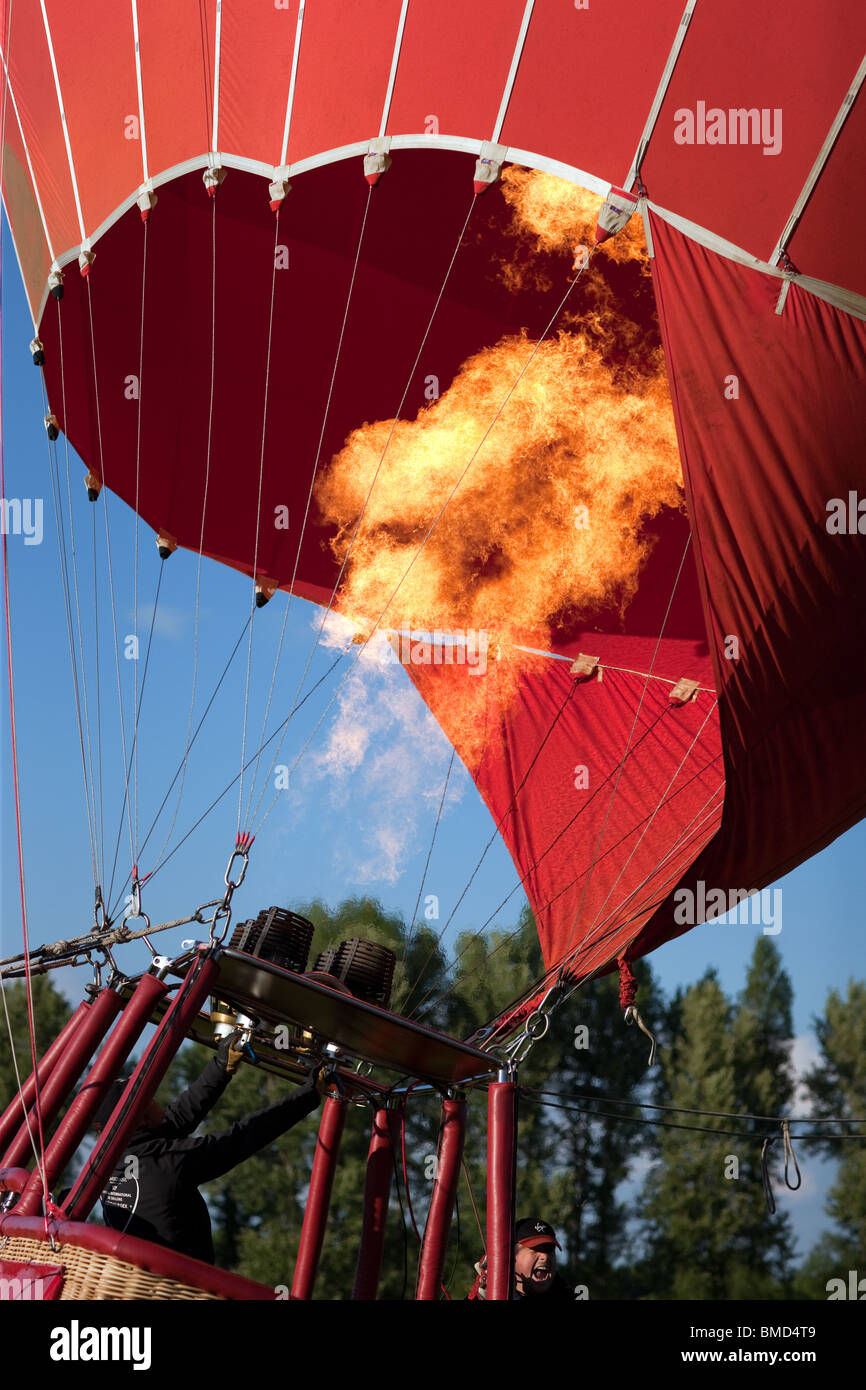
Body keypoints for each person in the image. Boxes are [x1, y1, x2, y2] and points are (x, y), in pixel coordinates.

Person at [93, 1034, 330, 1264]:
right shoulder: (168, 1164)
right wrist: (307, 1097)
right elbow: (243, 1137)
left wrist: (221, 1067)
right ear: (141, 1120)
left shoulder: (110, 1164)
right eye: (151, 1099)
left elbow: (175, 1122)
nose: (160, 1102)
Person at [469, 1217, 573, 1300]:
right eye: (535, 1249)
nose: (545, 1257)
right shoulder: (485, 1291)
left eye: (550, 1250)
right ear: (511, 1256)